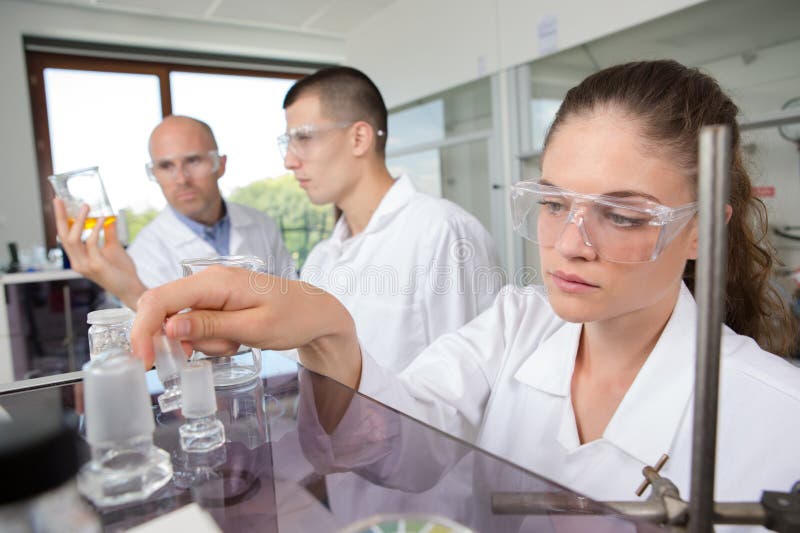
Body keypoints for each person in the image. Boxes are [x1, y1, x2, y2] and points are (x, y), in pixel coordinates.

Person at [131, 59, 800, 526]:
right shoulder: (516, 324)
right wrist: (326, 330)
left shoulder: (779, 417)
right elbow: (413, 440)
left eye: (623, 214)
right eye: (553, 201)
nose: (571, 242)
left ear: (700, 232)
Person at [281, 66, 503, 372]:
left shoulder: (442, 232)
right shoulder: (321, 259)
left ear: (359, 138)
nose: (289, 161)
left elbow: (470, 379)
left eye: (303, 138)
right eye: (288, 142)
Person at [53, 115, 295, 309]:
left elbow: (291, 300)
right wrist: (129, 291)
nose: (181, 179)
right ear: (154, 174)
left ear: (220, 165)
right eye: (166, 166)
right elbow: (170, 341)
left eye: (193, 161)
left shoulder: (262, 225)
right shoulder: (145, 251)